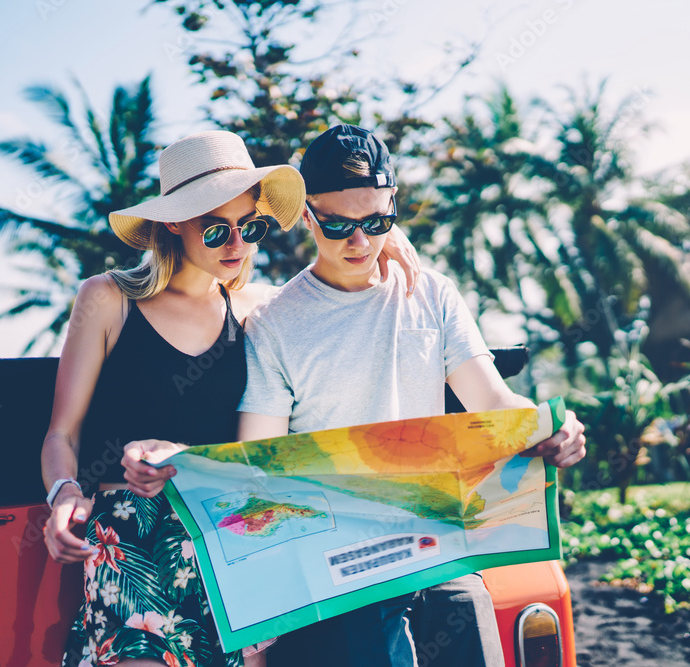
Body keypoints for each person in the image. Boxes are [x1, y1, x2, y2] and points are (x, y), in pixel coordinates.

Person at [41, 130, 421, 667]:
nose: (237, 246)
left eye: (252, 227)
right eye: (216, 230)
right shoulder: (107, 299)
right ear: (172, 222)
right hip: (132, 538)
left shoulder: (257, 308)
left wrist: (392, 240)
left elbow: (341, 264)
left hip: (232, 534)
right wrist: (62, 495)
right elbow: (62, 434)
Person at [235, 124, 587, 667]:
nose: (360, 242)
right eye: (338, 225)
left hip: (438, 549)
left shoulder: (431, 292)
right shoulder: (274, 325)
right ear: (307, 216)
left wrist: (548, 426)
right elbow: (259, 464)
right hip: (341, 567)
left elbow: (492, 401)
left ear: (394, 207)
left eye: (377, 222)